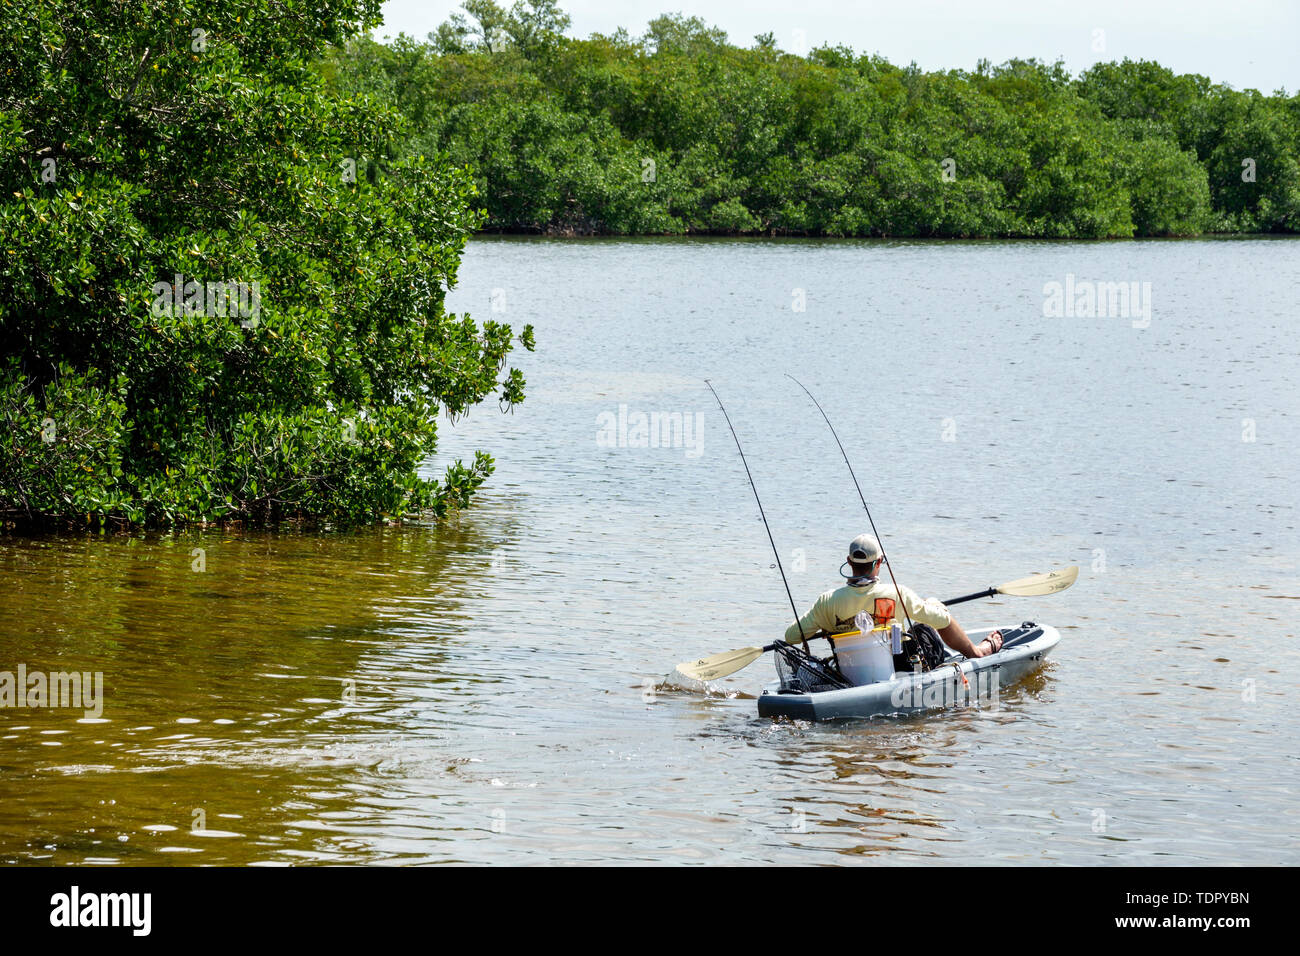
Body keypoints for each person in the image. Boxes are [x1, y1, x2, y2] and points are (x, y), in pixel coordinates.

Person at [784, 534, 1003, 659]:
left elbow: (791, 636)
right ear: (879, 562)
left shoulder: (826, 602)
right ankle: (977, 653)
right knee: (935, 606)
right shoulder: (898, 593)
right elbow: (942, 621)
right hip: (897, 664)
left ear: (849, 562)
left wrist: (827, 628)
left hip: (851, 670)